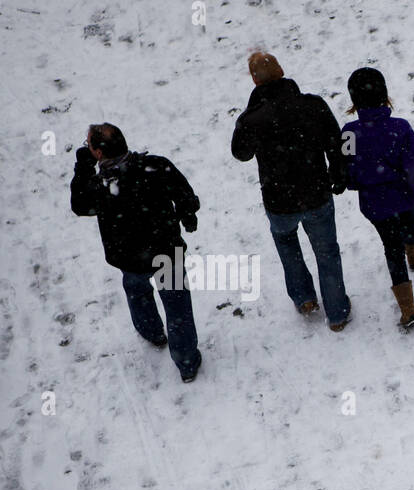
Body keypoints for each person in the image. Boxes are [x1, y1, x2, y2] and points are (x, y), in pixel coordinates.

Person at [70, 123, 203, 382]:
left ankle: (152, 332)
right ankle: (186, 361)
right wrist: (187, 214)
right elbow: (183, 192)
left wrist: (82, 166)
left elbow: (80, 205)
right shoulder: (155, 166)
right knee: (177, 306)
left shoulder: (99, 186)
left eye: (89, 145)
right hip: (167, 252)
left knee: (137, 291)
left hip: (128, 257)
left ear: (98, 153)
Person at [232, 51, 352, 331]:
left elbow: (240, 153)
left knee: (287, 246)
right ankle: (336, 313)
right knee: (327, 253)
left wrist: (250, 114)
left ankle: (304, 299)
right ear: (282, 71)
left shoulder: (253, 119)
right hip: (317, 195)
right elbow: (338, 143)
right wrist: (339, 174)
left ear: (254, 80)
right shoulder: (313, 105)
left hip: (279, 201)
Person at [341, 67, 414, 330]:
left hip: (375, 205)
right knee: (410, 225)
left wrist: (354, 181)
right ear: (385, 96)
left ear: (354, 101)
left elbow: (347, 169)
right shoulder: (400, 128)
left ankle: (408, 310)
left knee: (391, 248)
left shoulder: (349, 133)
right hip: (404, 197)